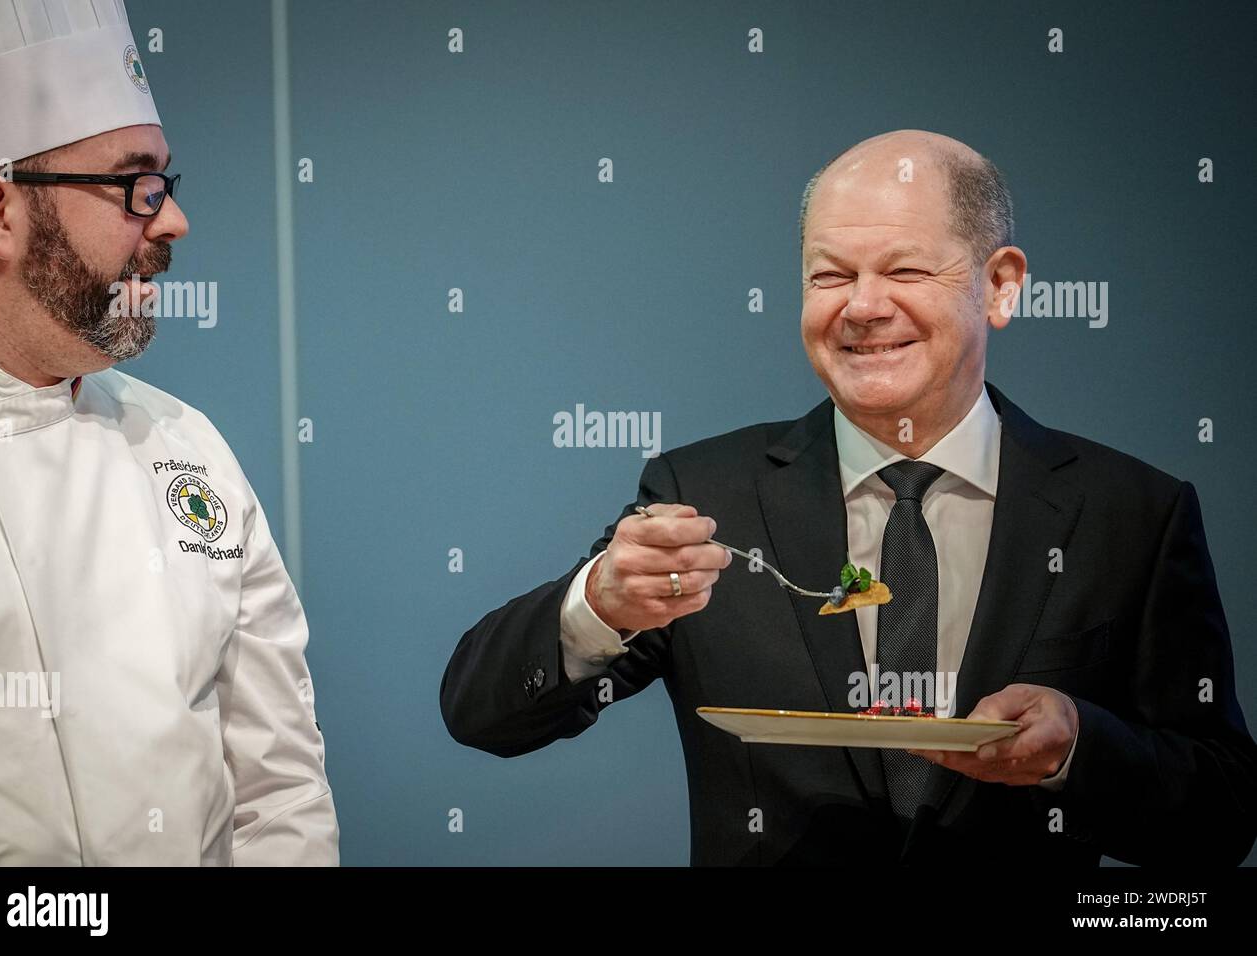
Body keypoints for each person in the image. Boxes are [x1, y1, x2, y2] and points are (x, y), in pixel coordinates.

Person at [441, 129, 1257, 865]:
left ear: (1001, 285)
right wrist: (600, 605)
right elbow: (481, 714)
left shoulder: (1130, 514)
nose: (863, 307)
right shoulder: (705, 496)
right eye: (831, 275)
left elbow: (1221, 818)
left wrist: (1076, 750)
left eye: (904, 270)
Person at [0, 0, 338, 865]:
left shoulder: (186, 447)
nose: (171, 221)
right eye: (136, 186)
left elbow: (280, 792)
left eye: (166, 184)